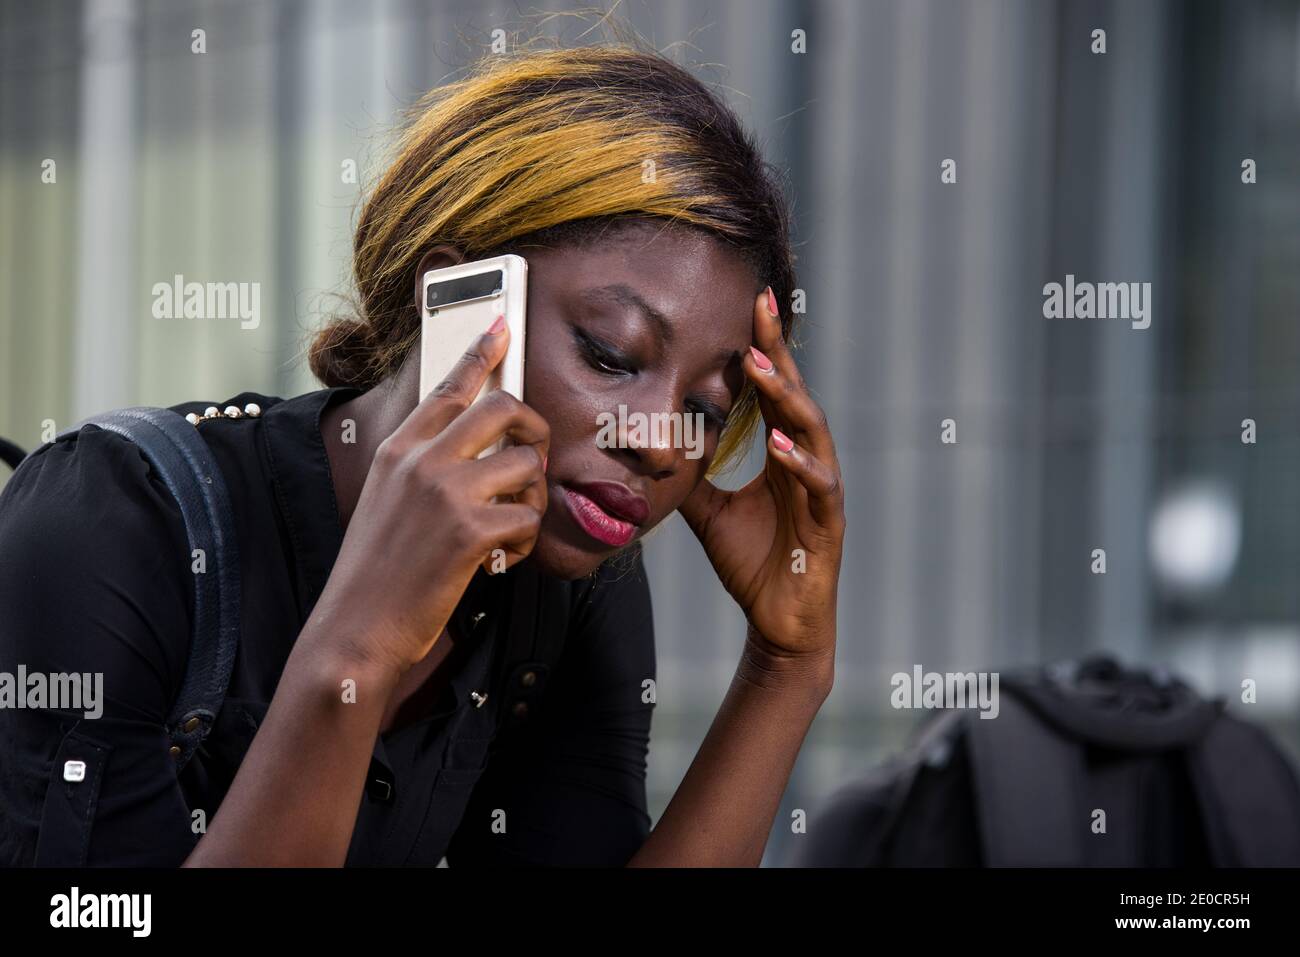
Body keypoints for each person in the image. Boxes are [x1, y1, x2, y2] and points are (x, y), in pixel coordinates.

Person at [0, 44, 844, 867]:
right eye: (611, 354)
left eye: (703, 410)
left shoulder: (564, 596)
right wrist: (360, 647)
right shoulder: (108, 525)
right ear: (458, 311)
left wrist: (787, 667)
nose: (659, 442)